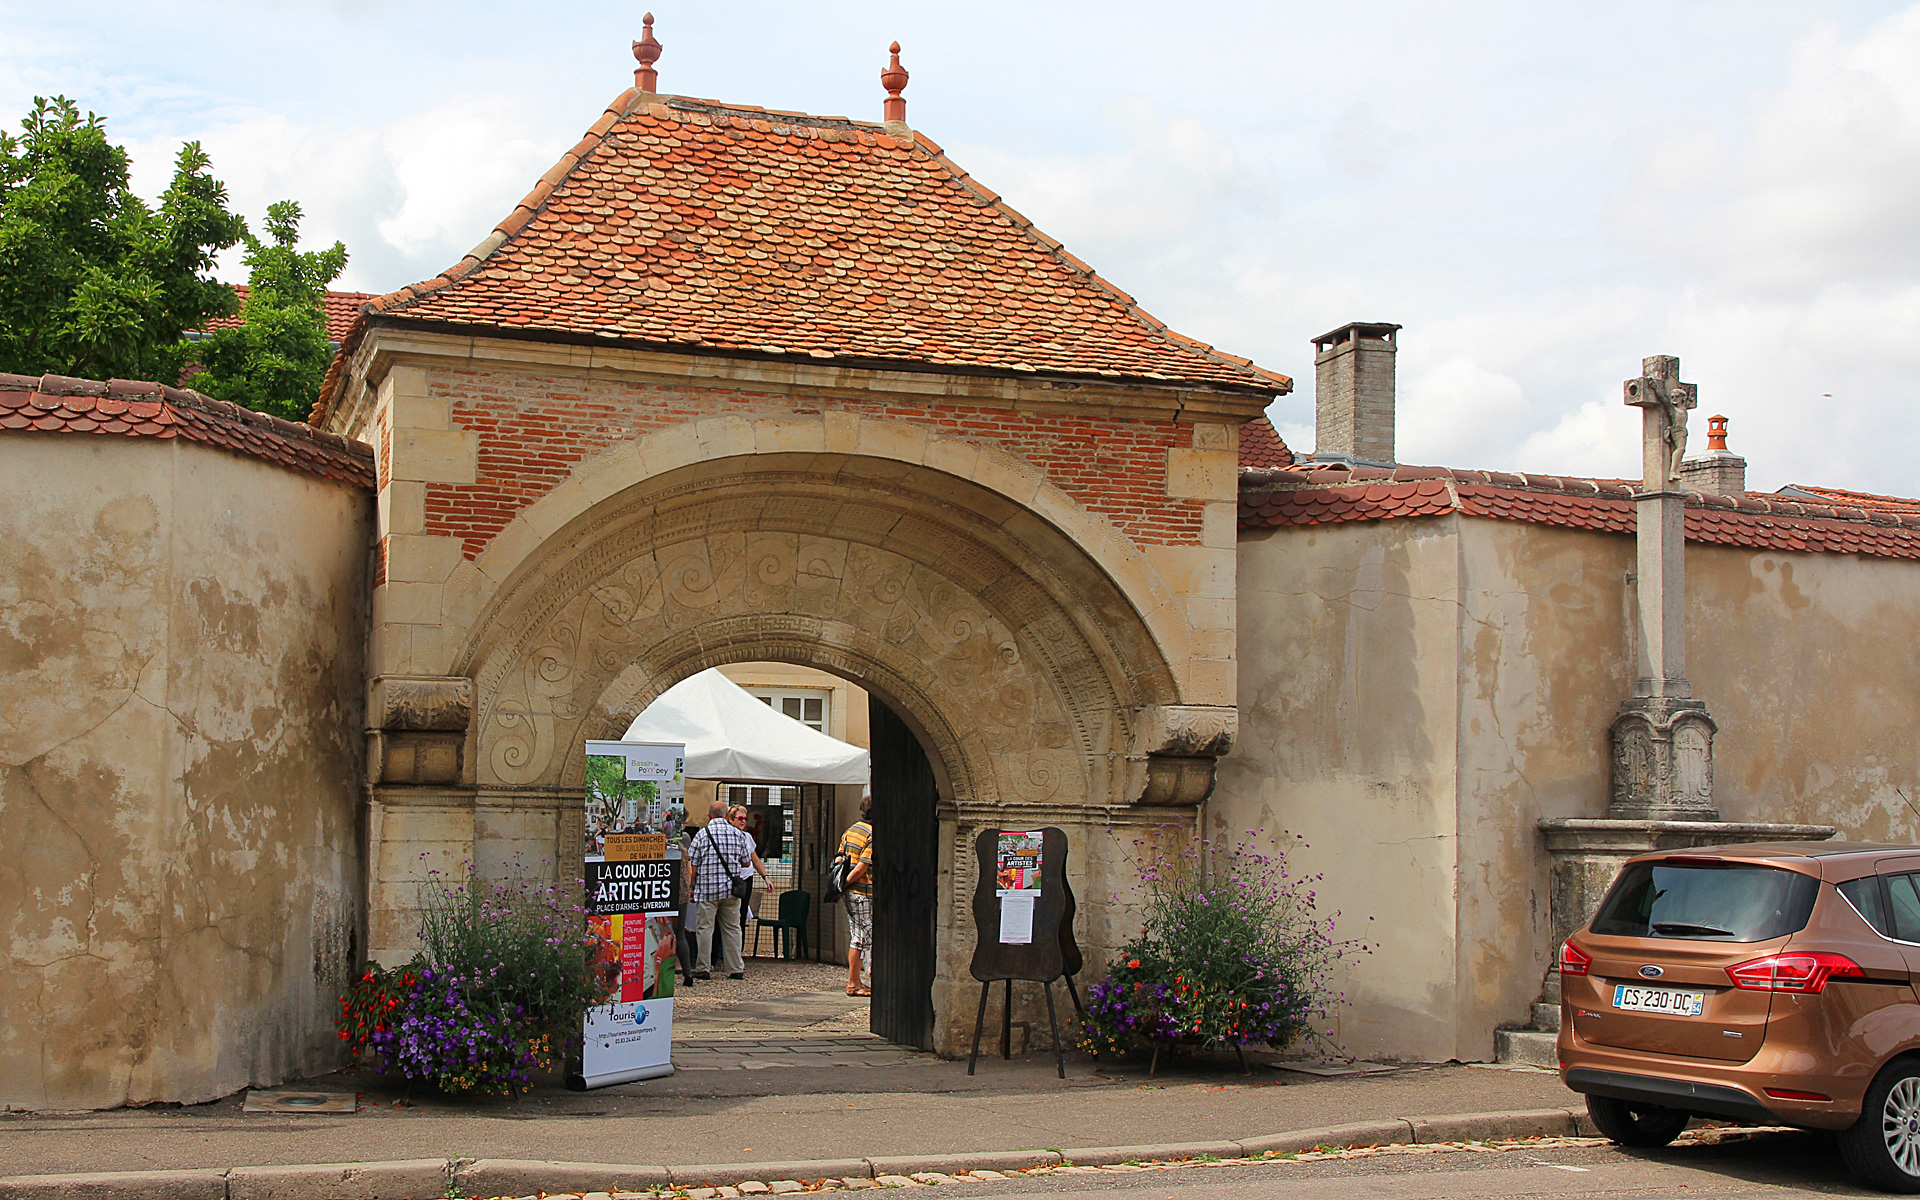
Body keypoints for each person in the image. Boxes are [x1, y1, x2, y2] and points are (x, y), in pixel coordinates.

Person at [688, 797, 765, 979]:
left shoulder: (702, 834)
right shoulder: (738, 835)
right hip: (731, 890)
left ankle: (703, 968)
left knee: (705, 929)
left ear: (709, 815)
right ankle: (735, 968)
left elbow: (693, 864)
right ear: (725, 815)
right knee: (732, 929)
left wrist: (692, 886)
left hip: (707, 890)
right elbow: (746, 862)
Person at [838, 795, 874, 997]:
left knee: (859, 935)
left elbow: (840, 858)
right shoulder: (872, 833)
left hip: (851, 894)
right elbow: (861, 867)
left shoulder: (851, 831)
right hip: (863, 891)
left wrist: (841, 887)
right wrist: (846, 883)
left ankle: (859, 980)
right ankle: (853, 982)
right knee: (861, 938)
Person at [728, 804, 770, 945]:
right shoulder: (726, 836)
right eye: (740, 818)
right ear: (731, 819)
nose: (743, 821)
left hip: (746, 878)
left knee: (742, 912)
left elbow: (755, 858)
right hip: (730, 877)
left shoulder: (747, 837)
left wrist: (765, 876)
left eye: (745, 818)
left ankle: (739, 950)